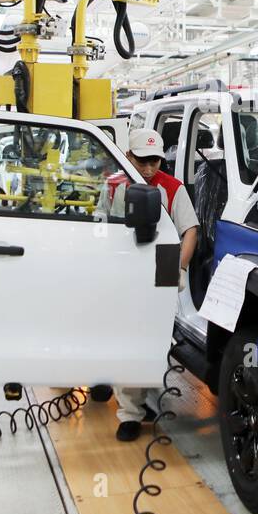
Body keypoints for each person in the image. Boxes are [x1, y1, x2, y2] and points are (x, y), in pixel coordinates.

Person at [105, 128, 198, 441]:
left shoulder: (173, 188)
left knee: (154, 342)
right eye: (141, 160)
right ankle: (129, 413)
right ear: (128, 157)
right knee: (128, 340)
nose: (148, 168)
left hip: (162, 270)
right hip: (127, 273)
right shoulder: (118, 188)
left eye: (154, 160)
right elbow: (107, 229)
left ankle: (140, 398)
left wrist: (177, 267)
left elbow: (191, 231)